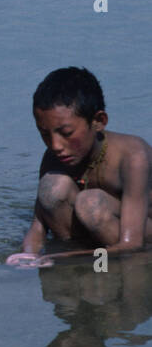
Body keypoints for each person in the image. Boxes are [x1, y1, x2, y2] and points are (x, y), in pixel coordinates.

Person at [9, 68, 152, 269]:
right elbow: (38, 227)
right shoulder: (54, 157)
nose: (55, 145)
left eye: (66, 133)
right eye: (45, 134)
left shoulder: (134, 157)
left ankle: (112, 268)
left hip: (139, 235)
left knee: (91, 203)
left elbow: (132, 243)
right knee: (52, 187)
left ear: (98, 121)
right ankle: (84, 267)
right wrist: (27, 256)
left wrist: (63, 259)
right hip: (96, 240)